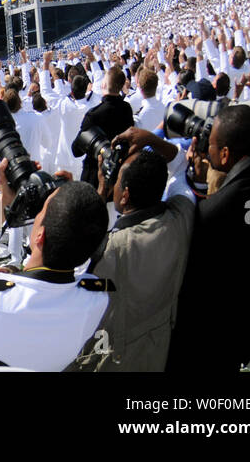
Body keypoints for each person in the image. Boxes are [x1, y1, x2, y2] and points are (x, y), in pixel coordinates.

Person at [0, 162, 111, 371]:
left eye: (41, 212)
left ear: (40, 235)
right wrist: (73, 201)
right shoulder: (96, 299)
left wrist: (5, 204)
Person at [166, 104, 250, 372]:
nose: (206, 150)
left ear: (224, 153)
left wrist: (198, 184)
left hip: (217, 328)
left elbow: (194, 227)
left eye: (211, 145)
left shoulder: (217, 209)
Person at [73, 130, 195, 371]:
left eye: (117, 182)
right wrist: (151, 140)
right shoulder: (182, 216)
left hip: (112, 359)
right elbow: (180, 166)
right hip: (157, 348)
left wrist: (101, 189)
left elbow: (74, 277)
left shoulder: (110, 249)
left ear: (125, 194)